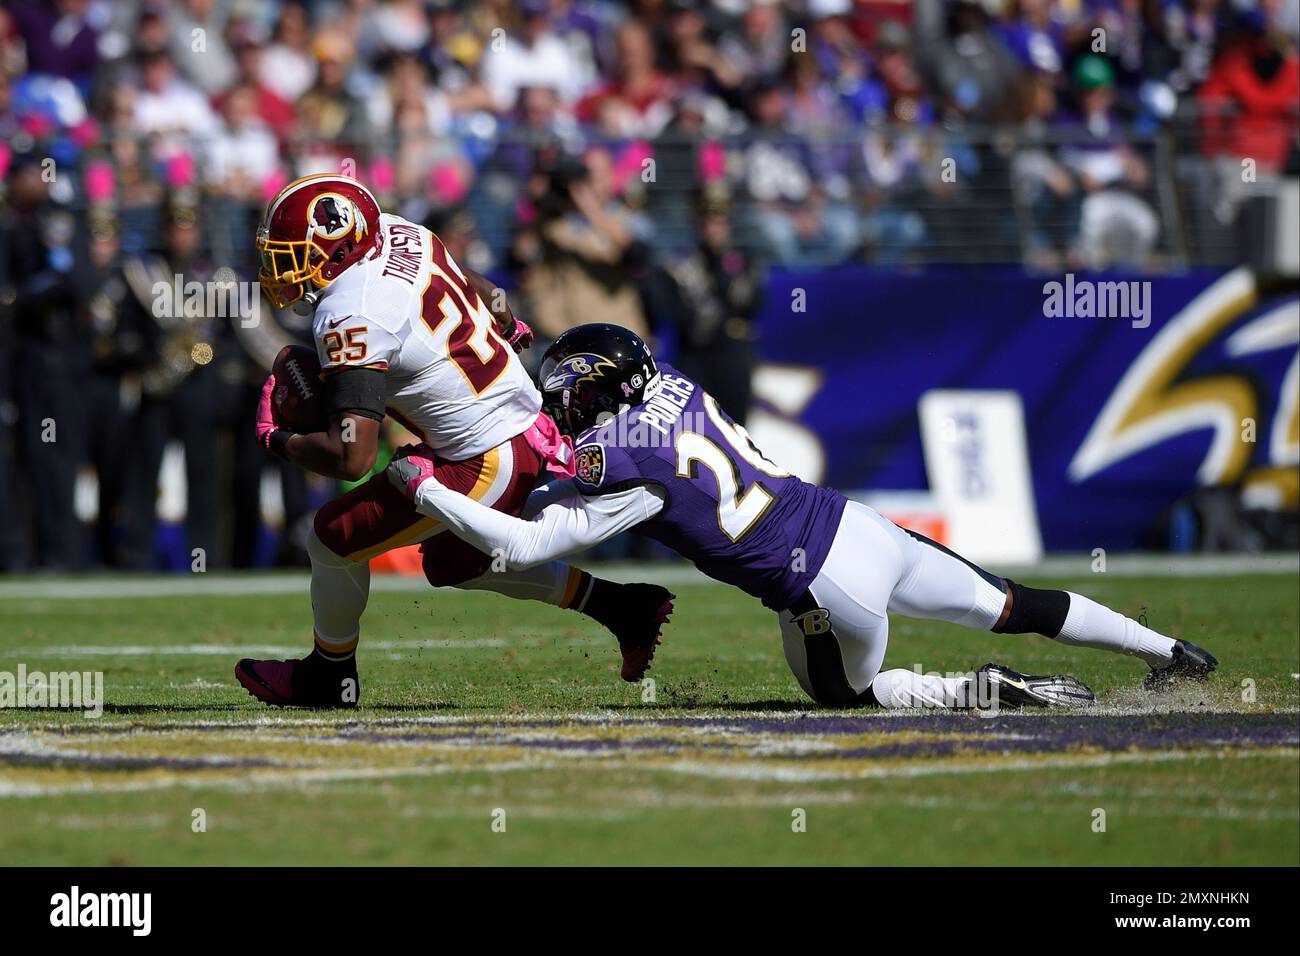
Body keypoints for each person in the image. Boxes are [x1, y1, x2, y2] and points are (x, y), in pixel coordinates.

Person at [387, 324, 1219, 710]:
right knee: (1013, 602)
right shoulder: (674, 386)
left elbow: (533, 539)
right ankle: (1171, 651)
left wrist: (425, 486)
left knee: (847, 699)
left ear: (600, 388)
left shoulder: (625, 464)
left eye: (570, 386)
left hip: (821, 587)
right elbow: (611, 462)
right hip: (859, 527)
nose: (561, 399)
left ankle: (976, 691)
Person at [235, 175, 673, 709]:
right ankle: (623, 607)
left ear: (338, 247)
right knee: (453, 562)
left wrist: (279, 439)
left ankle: (328, 678)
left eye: (292, 255)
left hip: (485, 456)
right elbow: (486, 291)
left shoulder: (350, 312)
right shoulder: (397, 232)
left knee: (331, 539)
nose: (278, 270)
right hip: (520, 418)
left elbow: (352, 455)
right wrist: (505, 320)